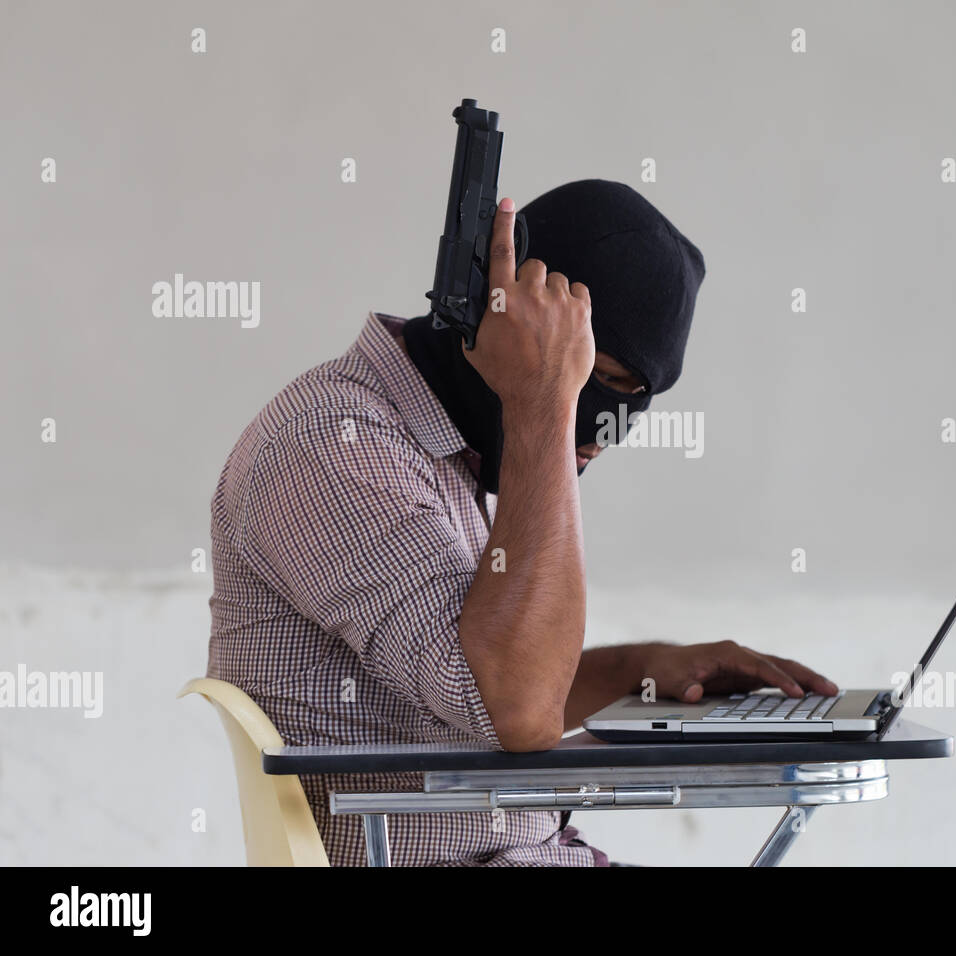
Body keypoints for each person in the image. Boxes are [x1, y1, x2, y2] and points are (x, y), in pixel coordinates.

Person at [206, 179, 838, 866]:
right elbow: (519, 710)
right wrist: (542, 402)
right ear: (503, 325)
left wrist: (642, 672)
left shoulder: (434, 455)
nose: (606, 428)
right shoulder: (332, 445)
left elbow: (473, 685)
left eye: (636, 395)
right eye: (594, 373)